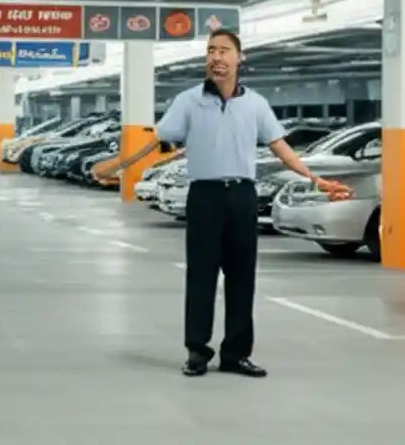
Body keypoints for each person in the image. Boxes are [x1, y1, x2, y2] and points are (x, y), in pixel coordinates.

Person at [117, 29, 348, 378]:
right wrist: (125, 163)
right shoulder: (188, 100)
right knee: (201, 275)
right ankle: (197, 351)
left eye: (224, 50)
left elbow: (280, 147)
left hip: (242, 196)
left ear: (240, 58)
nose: (216, 56)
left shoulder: (255, 104)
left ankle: (236, 354)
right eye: (211, 50)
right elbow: (162, 138)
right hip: (204, 196)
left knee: (242, 277)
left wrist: (313, 177)